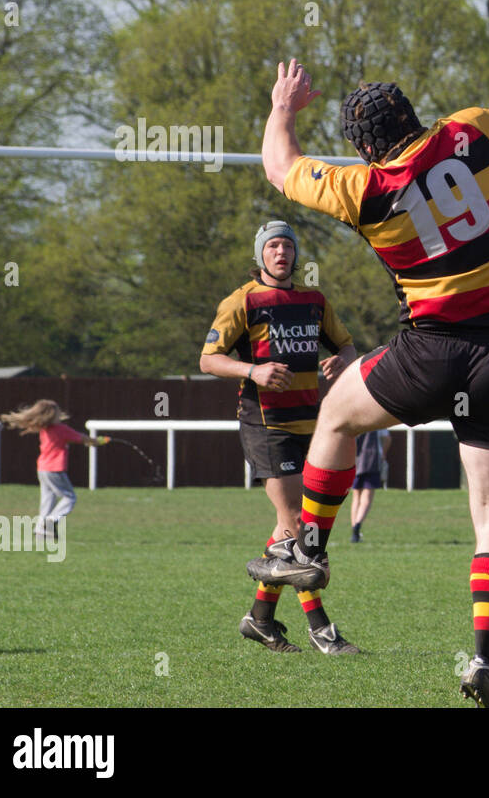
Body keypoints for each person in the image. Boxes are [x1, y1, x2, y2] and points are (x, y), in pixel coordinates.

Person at [249, 60, 489, 706]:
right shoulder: (474, 128)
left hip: (429, 351)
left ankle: (310, 549)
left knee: (335, 418)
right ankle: (487, 659)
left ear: (364, 148)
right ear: (413, 114)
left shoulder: (364, 188)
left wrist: (284, 107)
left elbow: (279, 165)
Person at [201, 219, 358, 654]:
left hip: (313, 425)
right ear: (260, 255)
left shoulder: (313, 300)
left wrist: (342, 360)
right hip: (266, 424)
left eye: (287, 245)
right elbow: (208, 359)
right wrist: (254, 370)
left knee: (288, 537)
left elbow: (346, 345)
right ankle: (322, 630)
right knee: (301, 529)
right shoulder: (242, 302)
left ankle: (259, 619)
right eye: (272, 246)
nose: (280, 252)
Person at [0, 400, 109, 539]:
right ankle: (50, 520)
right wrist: (97, 441)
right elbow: (81, 438)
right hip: (55, 469)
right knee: (69, 497)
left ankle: (40, 530)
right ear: (51, 415)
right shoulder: (61, 429)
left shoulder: (44, 430)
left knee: (48, 498)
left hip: (43, 468)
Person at [350, 428, 390, 542]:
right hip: (372, 461)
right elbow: (387, 438)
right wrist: (383, 454)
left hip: (355, 461)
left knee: (356, 497)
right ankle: (357, 527)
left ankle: (354, 530)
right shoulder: (377, 421)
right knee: (367, 497)